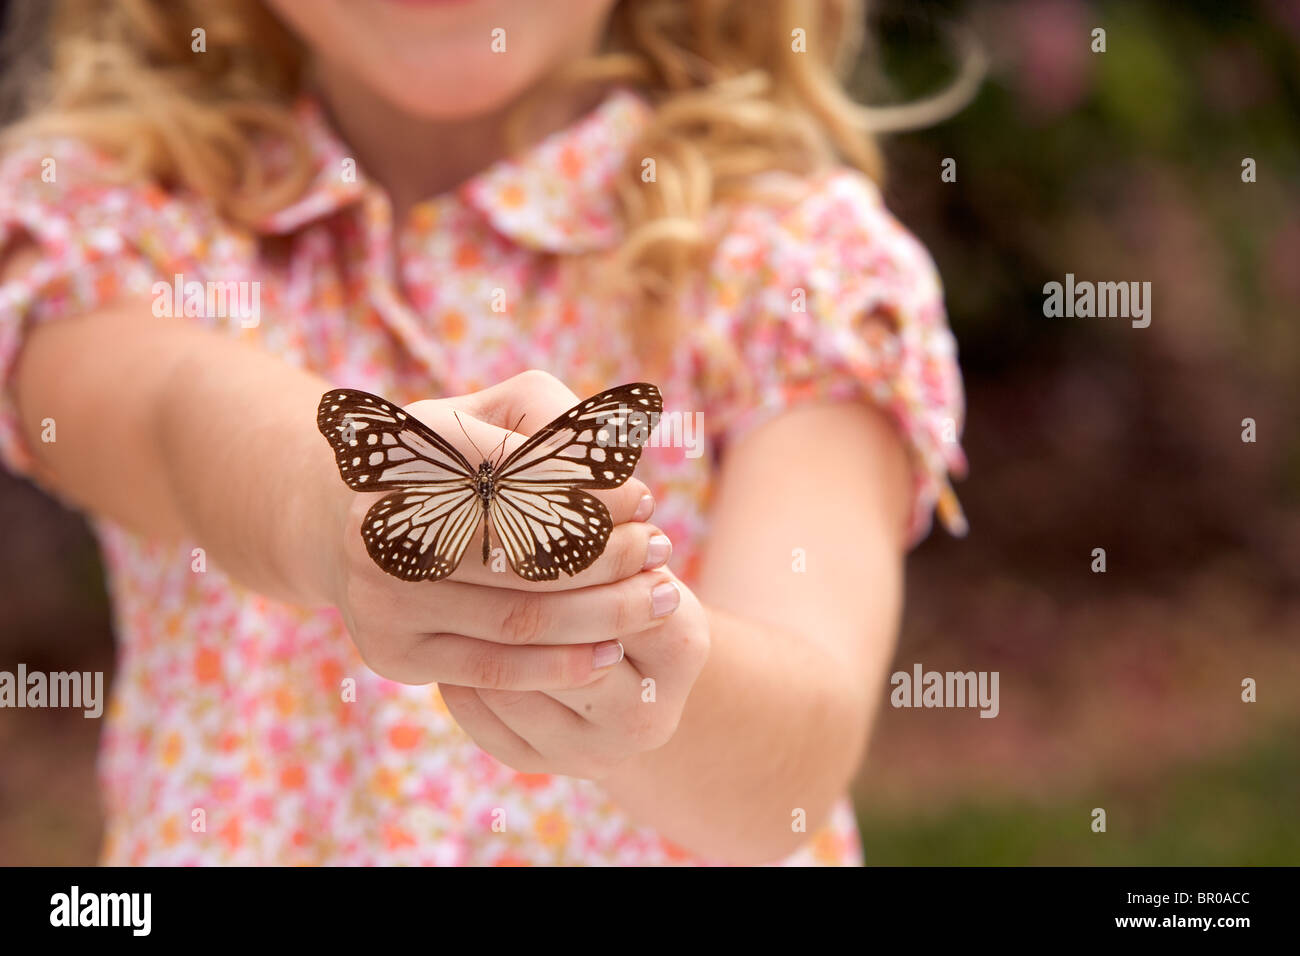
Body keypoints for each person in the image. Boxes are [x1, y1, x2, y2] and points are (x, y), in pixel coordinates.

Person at [0, 0, 969, 865]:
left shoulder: (796, 270)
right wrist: (335, 507)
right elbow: (173, 416)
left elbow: (789, 777)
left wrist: (633, 677)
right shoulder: (120, 222)